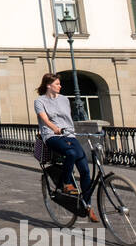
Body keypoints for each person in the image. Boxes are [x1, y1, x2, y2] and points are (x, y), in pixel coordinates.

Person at [34, 73, 99, 223]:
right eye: (57, 84)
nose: (60, 86)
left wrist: (68, 130)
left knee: (85, 170)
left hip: (69, 135)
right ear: (48, 85)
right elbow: (44, 119)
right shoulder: (40, 101)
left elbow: (68, 118)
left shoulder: (64, 99)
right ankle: (65, 182)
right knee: (70, 153)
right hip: (52, 135)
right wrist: (54, 128)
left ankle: (87, 206)